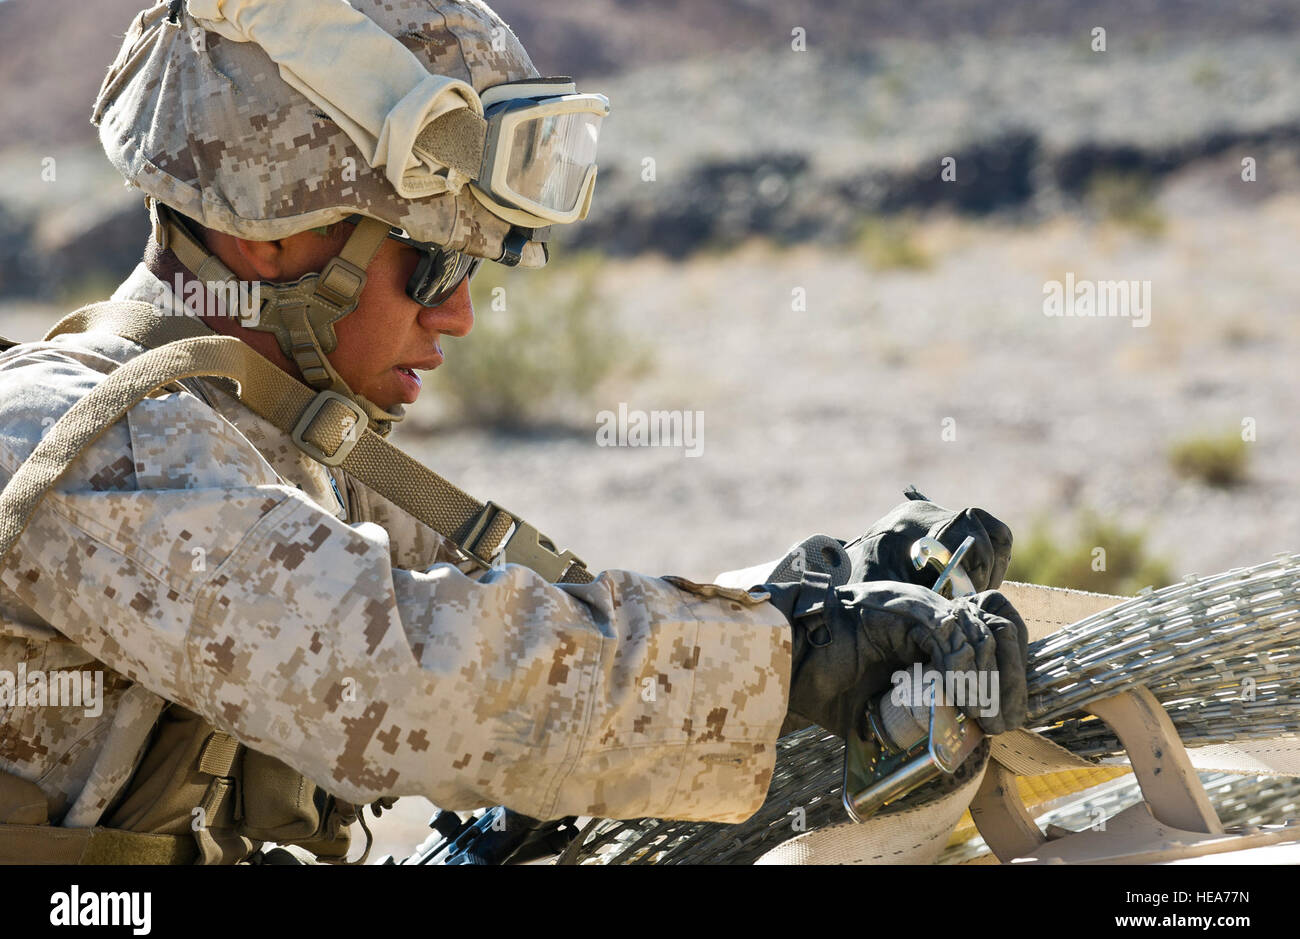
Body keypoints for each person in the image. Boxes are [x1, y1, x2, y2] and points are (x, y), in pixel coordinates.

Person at [0, 0, 1029, 865]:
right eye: (435, 267)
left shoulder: (277, 449)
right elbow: (407, 670)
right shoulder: (87, 445)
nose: (457, 316)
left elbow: (532, 620)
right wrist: (788, 658)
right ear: (270, 237)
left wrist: (805, 600)